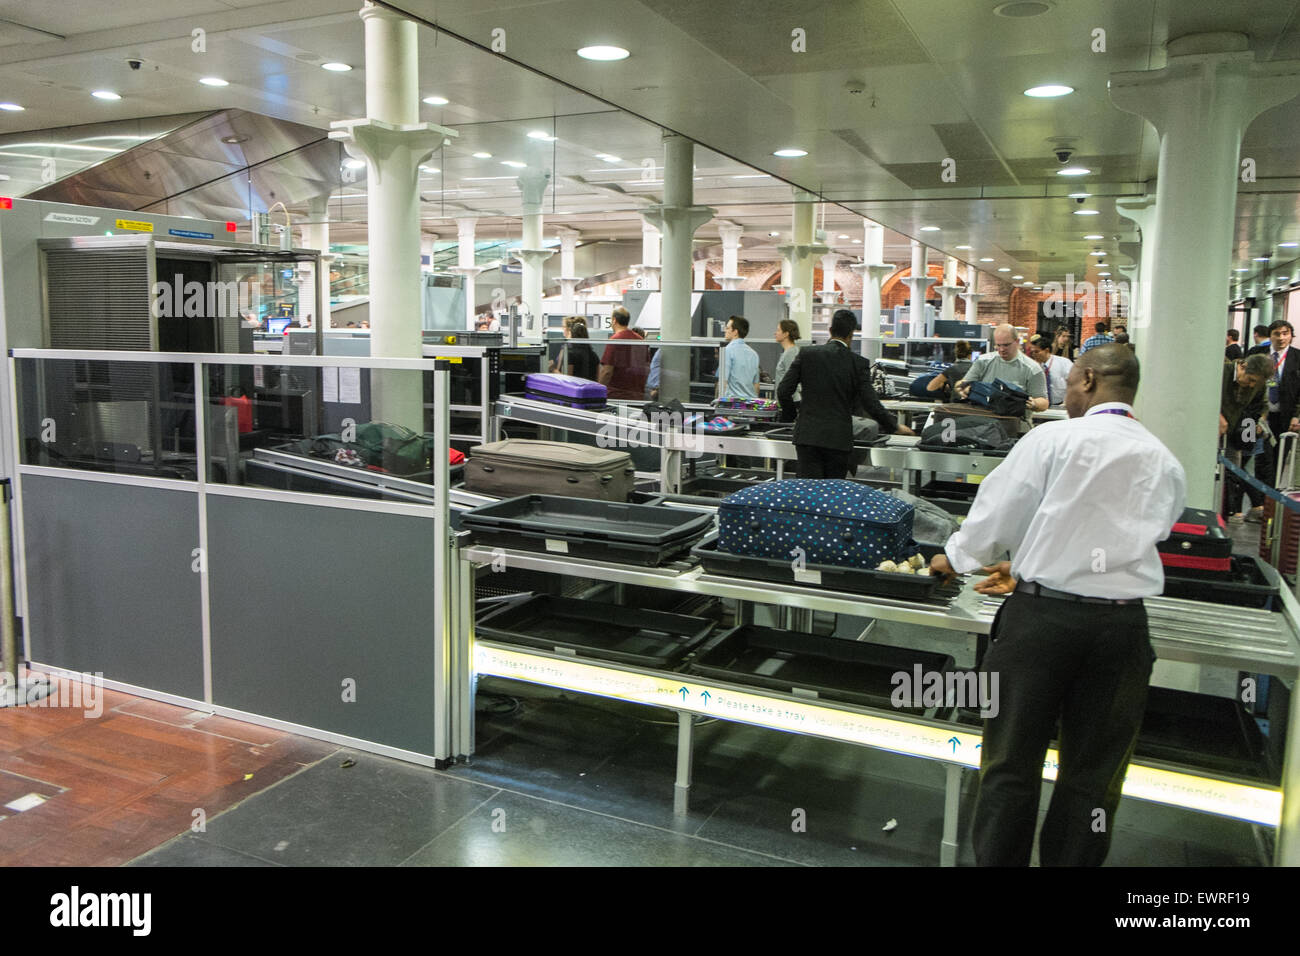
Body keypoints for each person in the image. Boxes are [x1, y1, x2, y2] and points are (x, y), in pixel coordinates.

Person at [930, 345, 1186, 866]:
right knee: (1093, 782)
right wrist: (1029, 563)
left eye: (1071, 383)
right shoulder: (1163, 459)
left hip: (1040, 626)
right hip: (1121, 630)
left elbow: (995, 518)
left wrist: (952, 558)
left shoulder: (1052, 438)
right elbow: (1128, 533)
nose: (1064, 394)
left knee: (1008, 765)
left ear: (1088, 380)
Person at [777, 309, 914, 479]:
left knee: (808, 493)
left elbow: (783, 391)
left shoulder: (807, 354)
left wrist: (793, 415)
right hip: (838, 439)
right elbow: (870, 402)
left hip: (807, 435)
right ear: (851, 335)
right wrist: (894, 426)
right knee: (833, 495)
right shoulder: (858, 363)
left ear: (830, 330)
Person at [954, 323, 1049, 412]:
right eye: (998, 345)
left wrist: (1033, 403)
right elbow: (963, 383)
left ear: (1017, 341)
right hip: (983, 421)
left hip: (1016, 424)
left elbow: (1044, 403)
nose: (1002, 349)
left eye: (1006, 345)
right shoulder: (983, 362)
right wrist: (960, 388)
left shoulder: (1032, 369)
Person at [1221, 353, 1270, 522]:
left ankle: (1226, 513)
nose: (1251, 385)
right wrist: (1217, 415)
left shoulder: (1258, 385)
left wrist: (1257, 422)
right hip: (1209, 430)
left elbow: (1261, 405)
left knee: (1234, 473)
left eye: (1255, 383)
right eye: (1250, 379)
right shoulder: (1221, 372)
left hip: (1234, 435)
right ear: (1242, 366)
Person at [1258, 318, 1300, 490]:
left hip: (1285, 418)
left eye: (1285, 334)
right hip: (1254, 417)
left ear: (1291, 336)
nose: (1281, 338)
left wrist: (1297, 416)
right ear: (1270, 336)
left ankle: (1268, 500)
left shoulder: (1298, 357)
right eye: (1277, 334)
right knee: (1249, 452)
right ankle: (1243, 504)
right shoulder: (1257, 352)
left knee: (1278, 457)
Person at [598, 306, 649, 400]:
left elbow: (607, 372)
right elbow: (646, 367)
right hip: (637, 396)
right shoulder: (640, 340)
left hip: (617, 396)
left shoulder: (615, 340)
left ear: (614, 320)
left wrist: (597, 392)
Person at [719, 315, 760, 400]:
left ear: (735, 332)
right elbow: (756, 385)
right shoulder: (754, 354)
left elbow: (723, 382)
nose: (725, 331)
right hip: (750, 403)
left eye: (727, 328)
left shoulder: (727, 351)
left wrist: (719, 403)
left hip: (732, 404)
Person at [1026, 334, 1072, 407]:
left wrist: (1067, 401)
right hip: (1039, 405)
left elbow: (1072, 383)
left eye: (1036, 352)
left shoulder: (1063, 363)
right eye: (1032, 352)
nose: (1034, 354)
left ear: (1046, 350)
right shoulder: (1033, 366)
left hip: (1061, 405)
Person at [773, 319, 802, 408]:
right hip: (785, 401)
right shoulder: (787, 352)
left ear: (786, 334)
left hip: (790, 401)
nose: (775, 333)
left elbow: (793, 381)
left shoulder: (791, 353)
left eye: (778, 330)